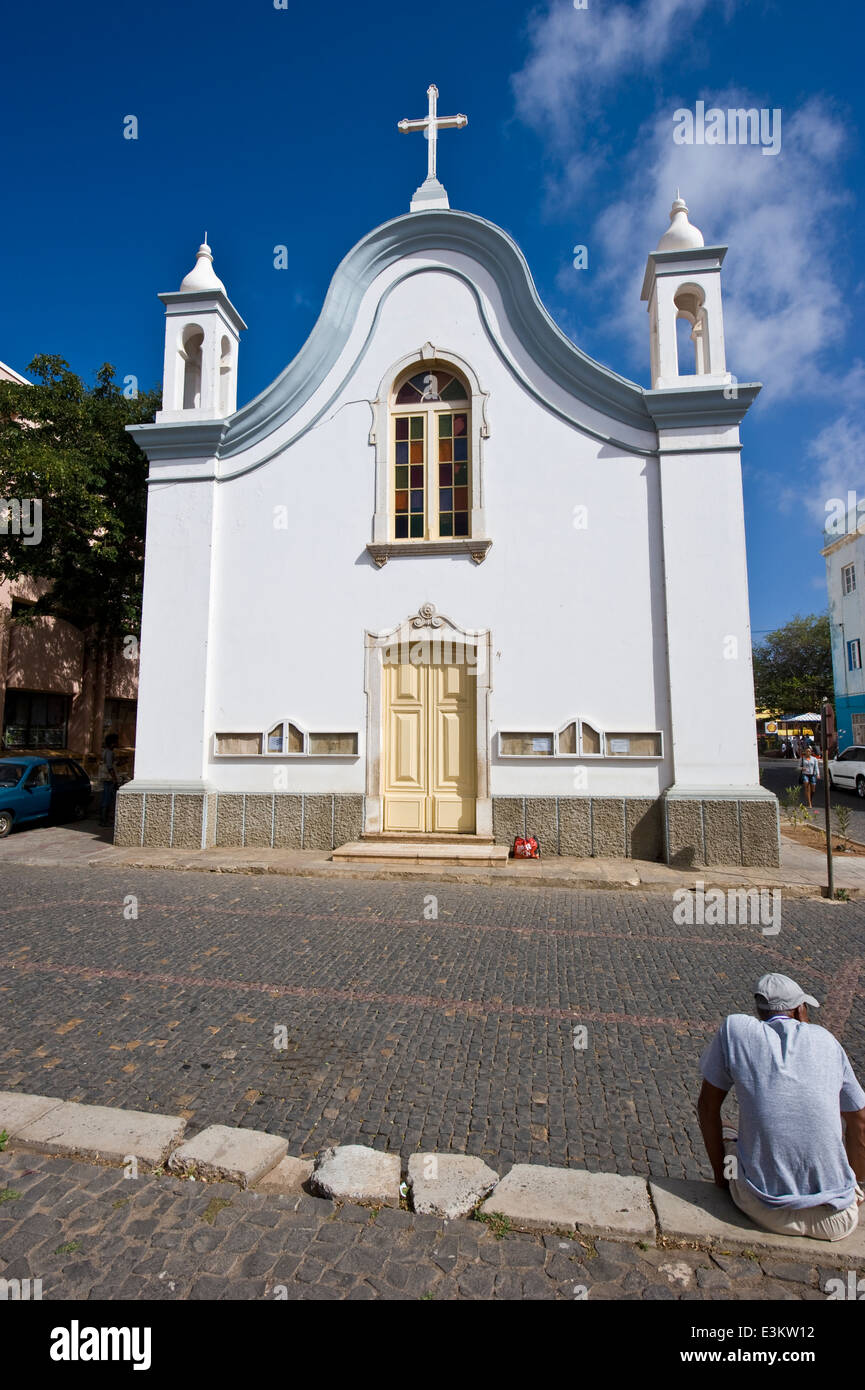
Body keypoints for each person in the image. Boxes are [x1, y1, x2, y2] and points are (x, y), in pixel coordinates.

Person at [697, 973, 865, 1241]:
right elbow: (859, 1122)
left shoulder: (736, 1030)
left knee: (730, 1133)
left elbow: (707, 1107)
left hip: (764, 1208)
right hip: (838, 1219)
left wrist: (722, 1179)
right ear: (800, 1010)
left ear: (759, 1011)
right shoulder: (827, 1042)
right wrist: (855, 1188)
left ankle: (732, 1175)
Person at [98, 733, 120, 827]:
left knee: (106, 797)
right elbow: (110, 767)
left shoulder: (106, 751)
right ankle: (104, 820)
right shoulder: (109, 753)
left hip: (107, 778)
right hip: (109, 779)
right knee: (107, 798)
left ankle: (104, 819)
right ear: (112, 743)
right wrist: (115, 779)